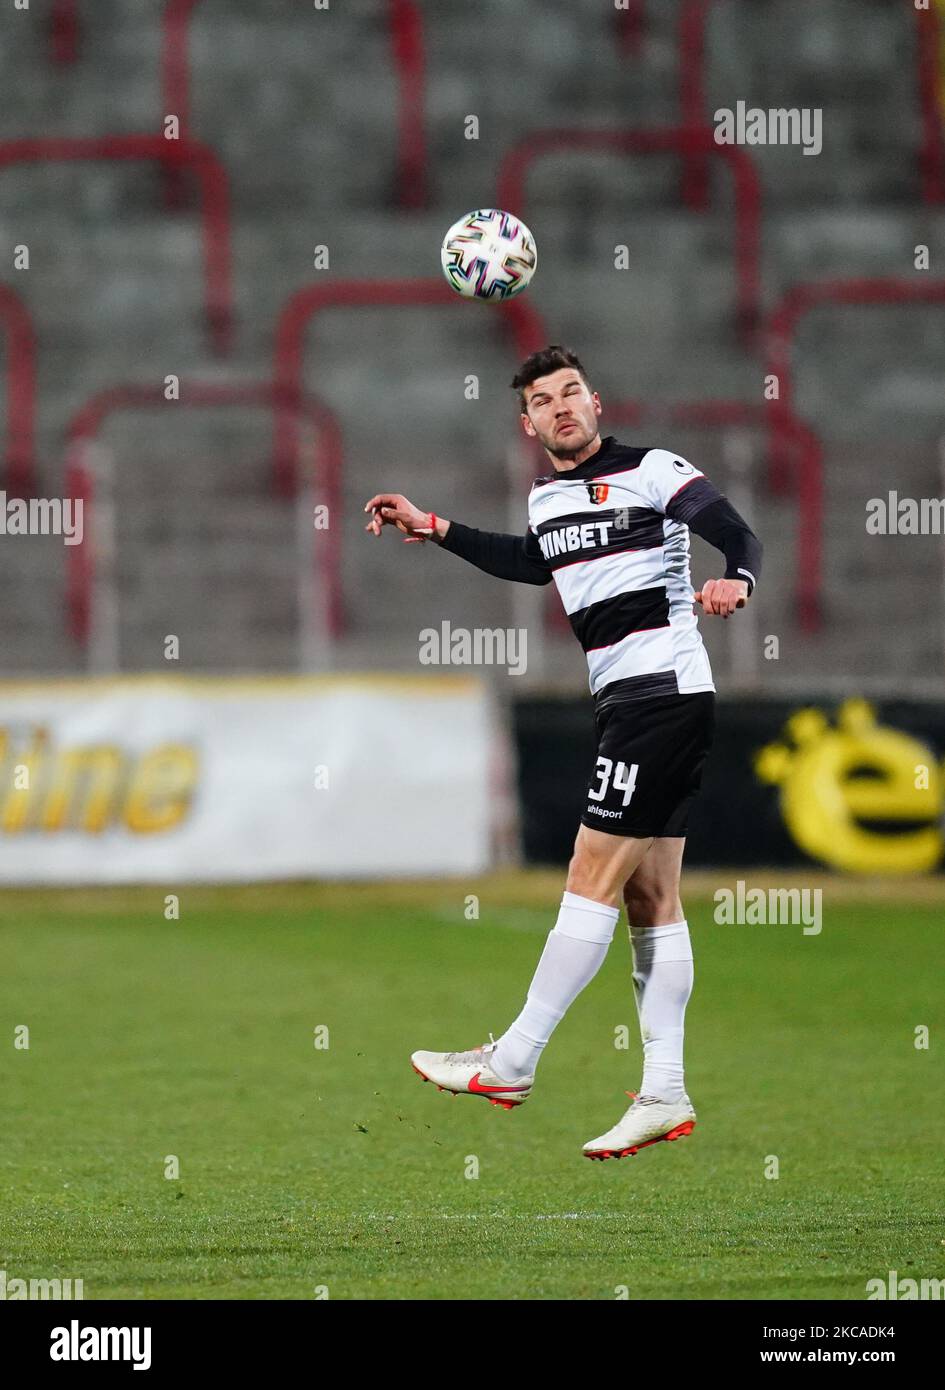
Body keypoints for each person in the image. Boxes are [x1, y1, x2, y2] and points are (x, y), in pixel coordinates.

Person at [363, 345, 762, 1161]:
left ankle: (513, 1059)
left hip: (661, 693)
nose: (561, 407)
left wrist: (739, 581)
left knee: (589, 873)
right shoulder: (547, 498)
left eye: (571, 392)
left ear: (596, 401)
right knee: (651, 900)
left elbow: (732, 528)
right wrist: (433, 527)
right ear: (528, 423)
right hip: (629, 702)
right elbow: (530, 562)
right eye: (543, 400)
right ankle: (663, 1090)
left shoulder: (651, 469)